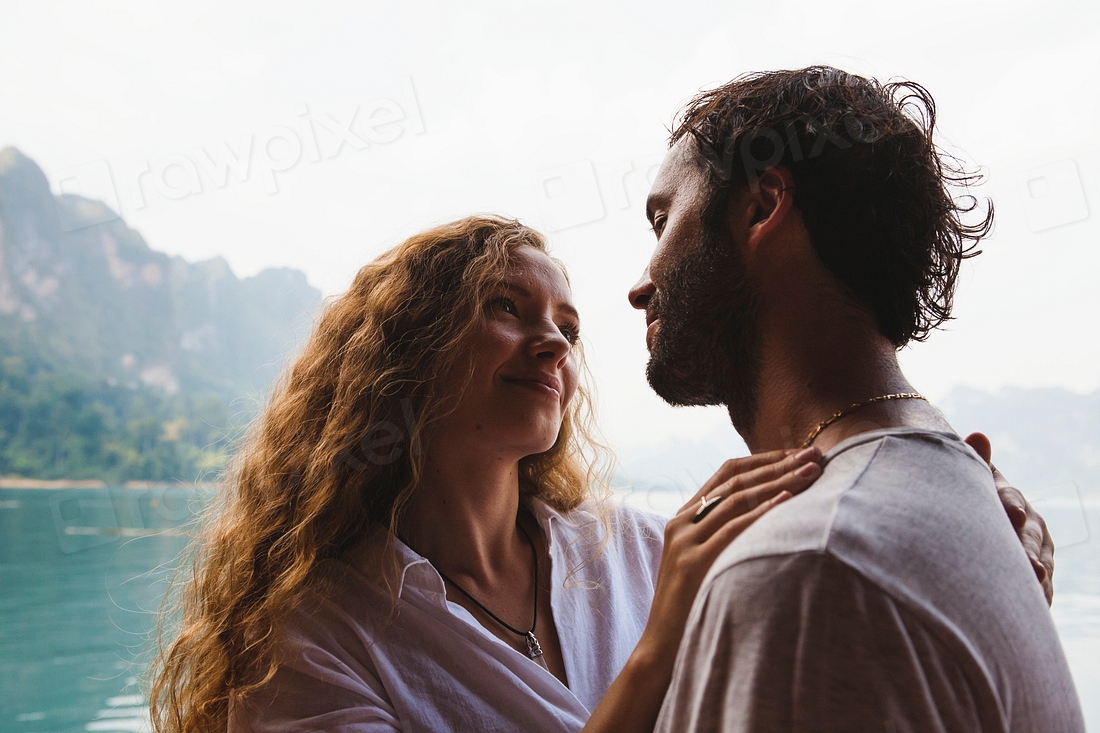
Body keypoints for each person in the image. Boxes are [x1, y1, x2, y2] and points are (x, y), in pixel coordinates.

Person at [150, 213, 1053, 733]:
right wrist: (659, 646)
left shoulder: (642, 545)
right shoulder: (307, 641)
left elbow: (857, 511)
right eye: (506, 309)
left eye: (568, 327)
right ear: (403, 352)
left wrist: (976, 505)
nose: (552, 341)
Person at [628, 67, 1084, 731]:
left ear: (762, 206)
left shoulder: (807, 569)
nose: (640, 286)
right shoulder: (961, 491)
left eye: (663, 219)